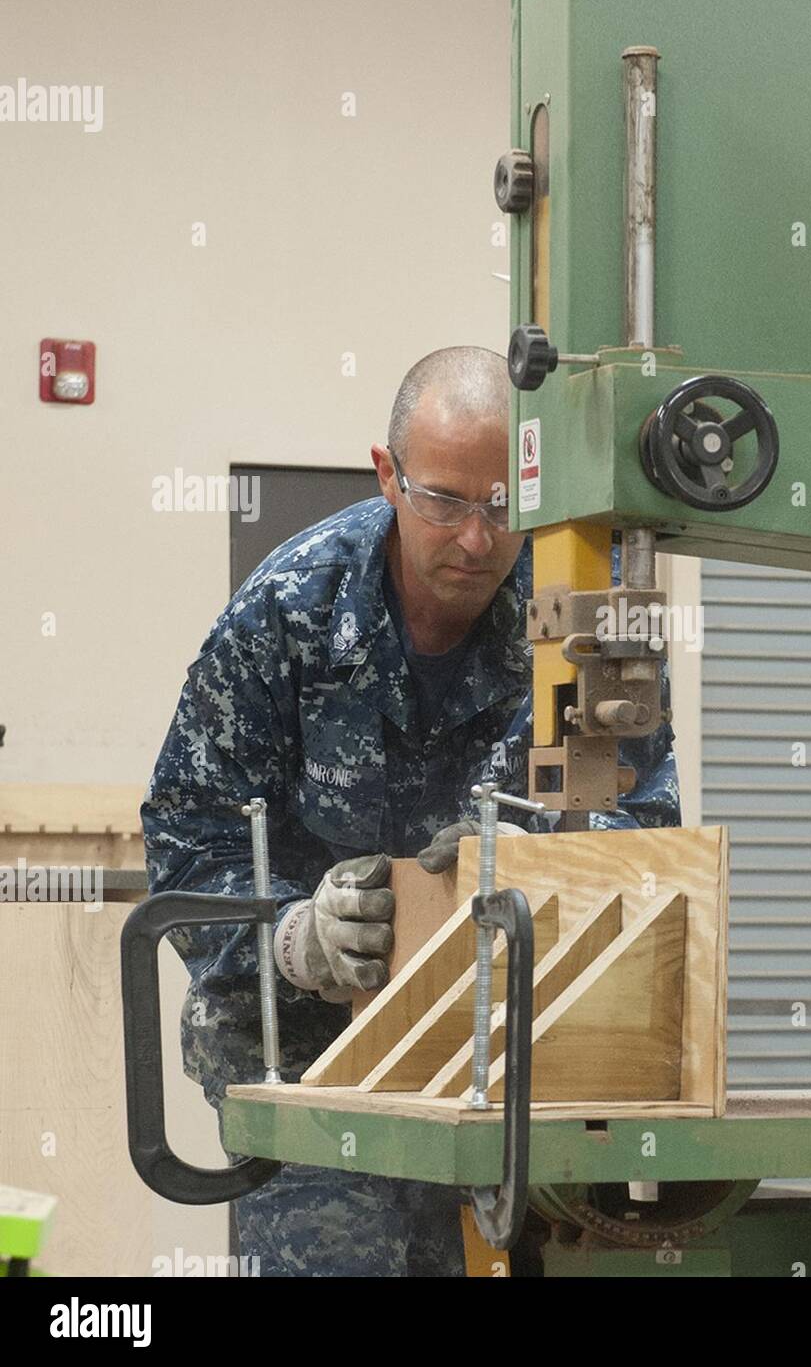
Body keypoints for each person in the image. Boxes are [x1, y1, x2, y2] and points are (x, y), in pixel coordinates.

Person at [141, 346, 680, 1275]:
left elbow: (650, 832)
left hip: (529, 1049)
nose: (475, 539)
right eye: (443, 500)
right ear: (387, 475)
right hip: (315, 1061)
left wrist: (541, 860)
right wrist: (291, 938)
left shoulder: (580, 627)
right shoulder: (288, 614)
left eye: (505, 504)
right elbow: (189, 836)